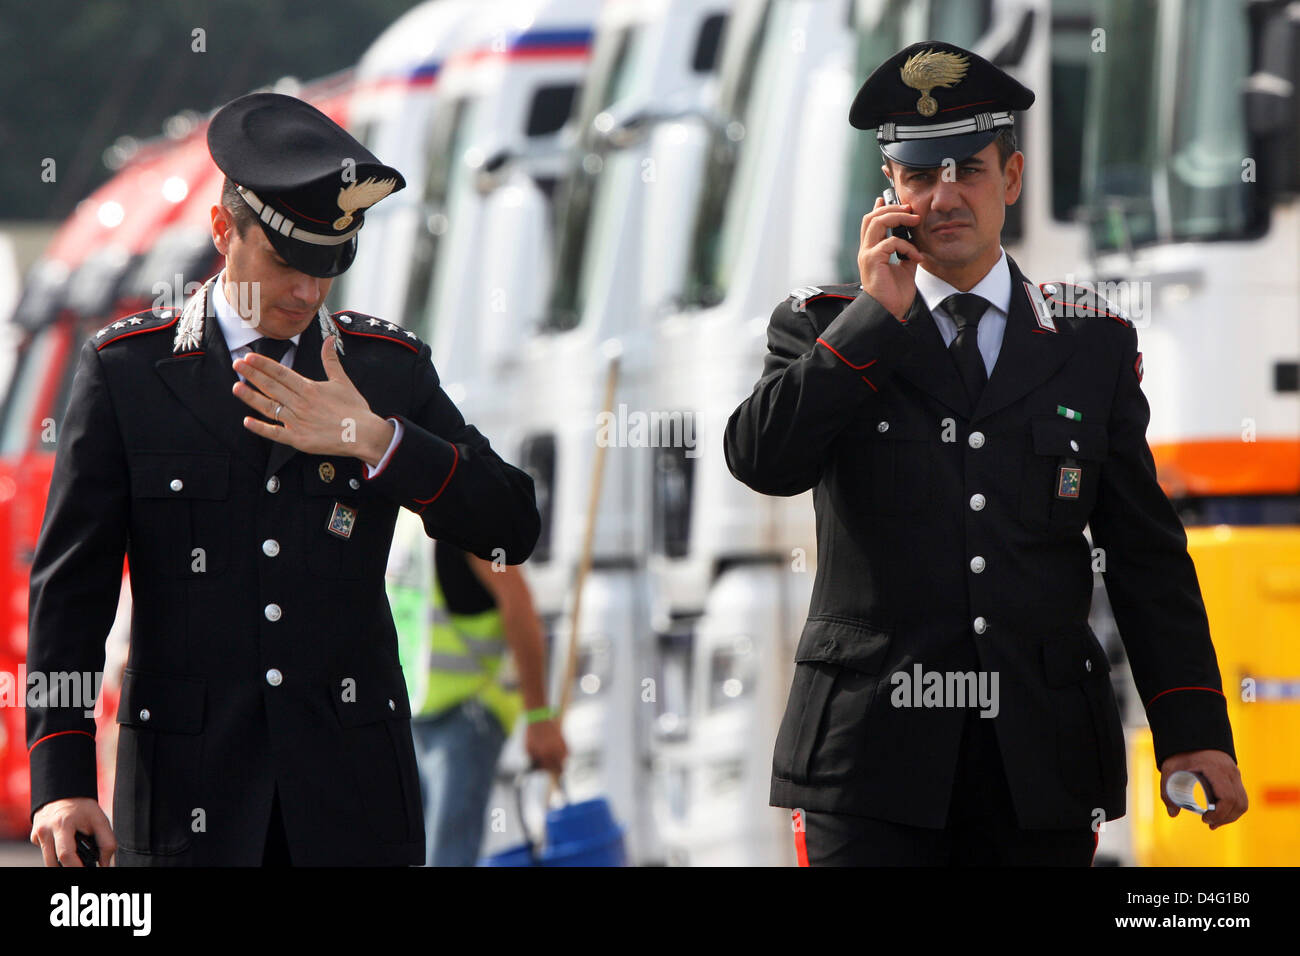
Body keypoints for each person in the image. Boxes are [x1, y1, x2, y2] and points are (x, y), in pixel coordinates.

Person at [722, 41, 1247, 866]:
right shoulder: (824, 325)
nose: (944, 196)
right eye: (919, 177)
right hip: (869, 768)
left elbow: (1145, 553)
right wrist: (874, 321)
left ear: (1012, 178)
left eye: (968, 168)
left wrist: (1192, 729)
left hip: (1037, 767)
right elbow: (763, 461)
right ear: (889, 191)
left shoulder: (1091, 343)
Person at [26, 92, 541, 866]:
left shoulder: (382, 370)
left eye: (329, 266)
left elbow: (512, 526)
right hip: (186, 800)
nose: (307, 291)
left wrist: (376, 440)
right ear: (223, 231)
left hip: (351, 802)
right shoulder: (126, 372)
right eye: (287, 261)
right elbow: (70, 594)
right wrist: (61, 778)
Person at [399, 540, 566, 866]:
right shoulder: (403, 515)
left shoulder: (462, 517)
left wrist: (540, 718)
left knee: (447, 857)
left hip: (467, 716)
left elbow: (521, 607)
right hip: (411, 714)